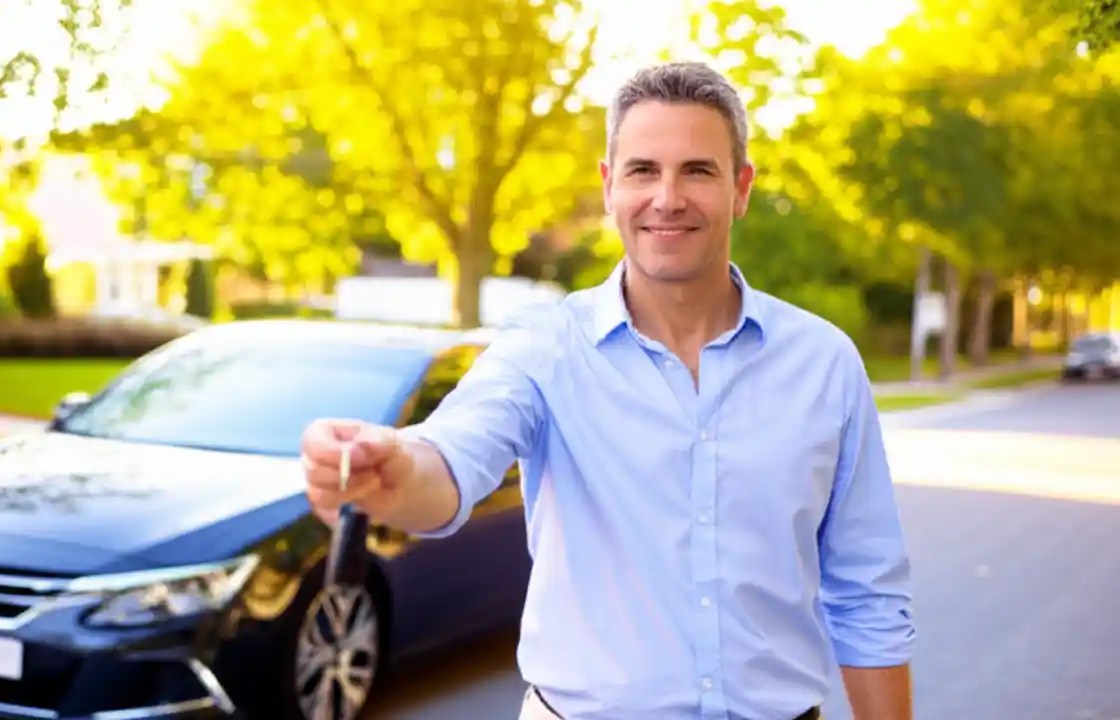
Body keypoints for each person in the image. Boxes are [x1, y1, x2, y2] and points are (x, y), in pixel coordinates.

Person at [301, 61, 915, 720]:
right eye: (643, 170)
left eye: (698, 171)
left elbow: (868, 593)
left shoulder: (824, 364)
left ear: (741, 188)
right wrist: (395, 472)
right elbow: (450, 459)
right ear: (609, 186)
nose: (668, 198)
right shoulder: (543, 349)